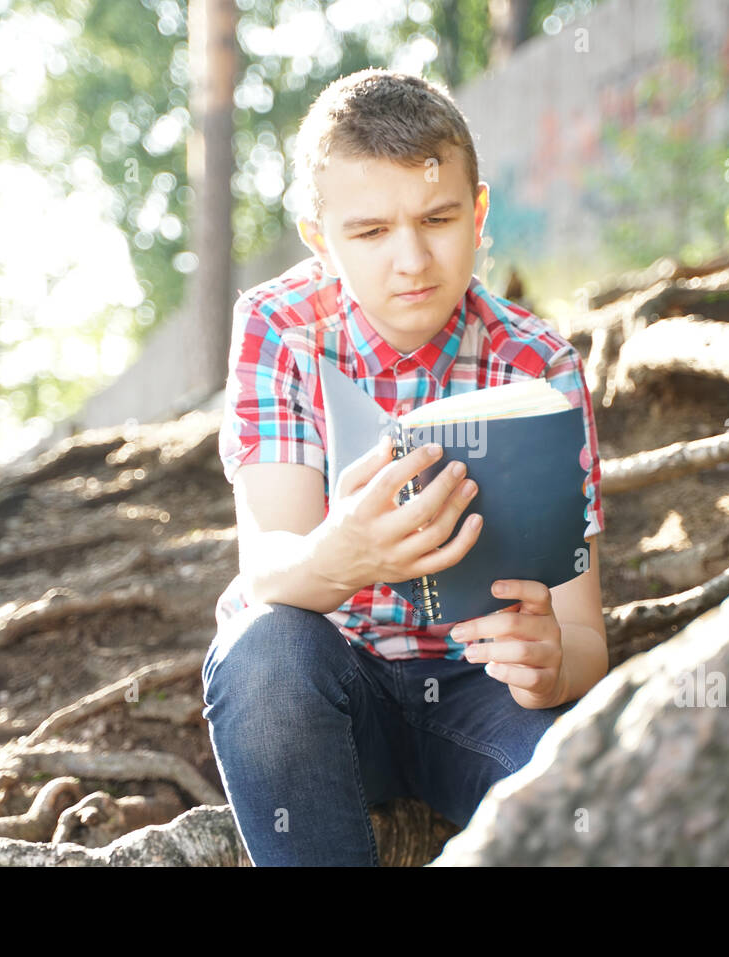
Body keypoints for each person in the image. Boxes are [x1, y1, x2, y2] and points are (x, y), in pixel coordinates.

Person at [201, 69, 608, 866]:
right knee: (263, 654)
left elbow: (587, 634)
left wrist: (553, 662)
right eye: (371, 231)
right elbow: (269, 567)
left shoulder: (540, 364)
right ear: (320, 237)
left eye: (439, 218)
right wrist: (346, 555)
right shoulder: (281, 328)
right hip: (333, 690)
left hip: (482, 694)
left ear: (479, 213)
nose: (412, 259)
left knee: (588, 793)